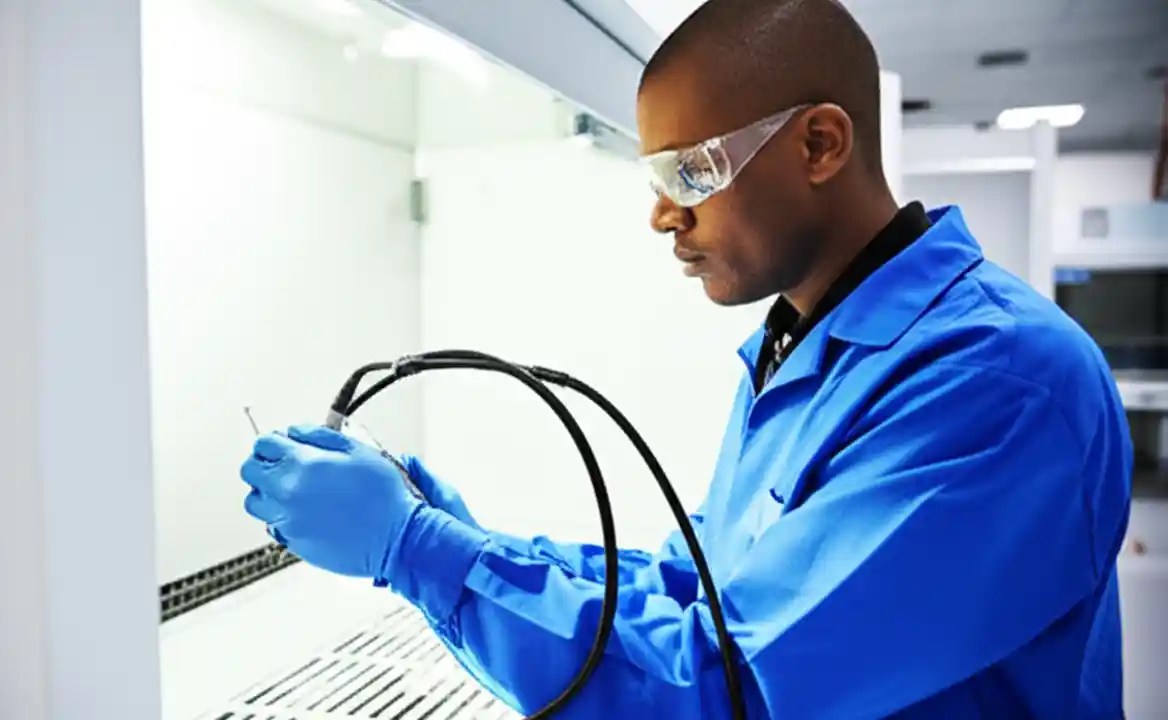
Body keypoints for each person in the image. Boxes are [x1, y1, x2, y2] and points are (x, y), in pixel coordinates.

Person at [239, 0, 1133, 717]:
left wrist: (416, 550)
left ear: (820, 144)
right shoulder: (806, 353)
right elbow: (695, 585)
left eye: (691, 174)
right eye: (656, 179)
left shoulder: (994, 383)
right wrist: (471, 546)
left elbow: (725, 691)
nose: (664, 216)